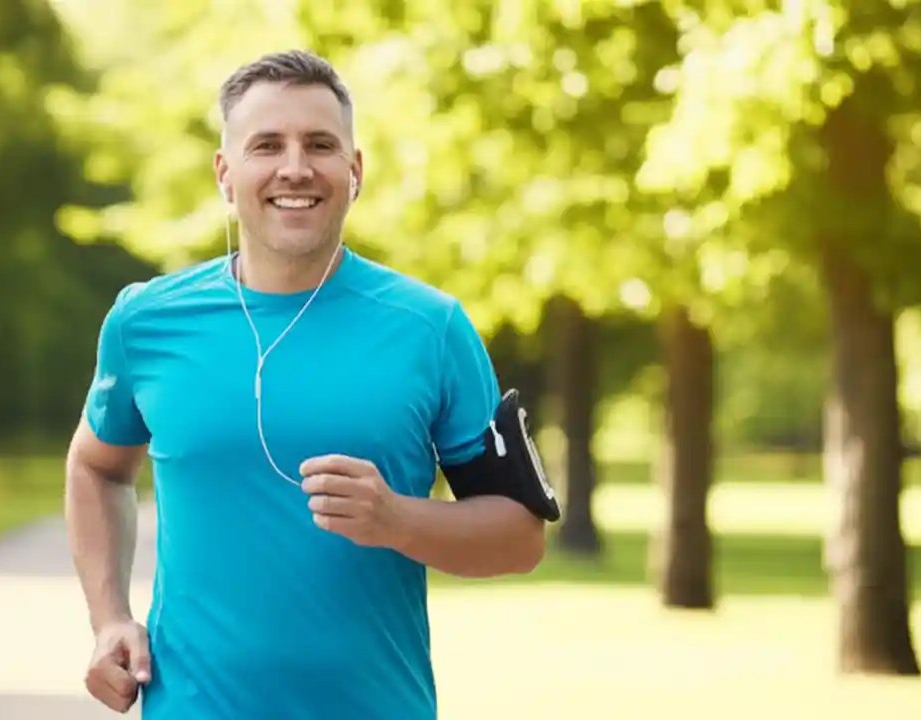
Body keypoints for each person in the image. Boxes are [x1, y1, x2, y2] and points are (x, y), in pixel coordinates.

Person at [64, 49, 555, 719]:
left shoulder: (431, 327)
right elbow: (96, 466)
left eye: (320, 145)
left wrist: (397, 519)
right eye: (267, 145)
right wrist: (109, 617)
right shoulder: (145, 322)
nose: (295, 168)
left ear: (354, 171)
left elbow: (520, 538)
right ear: (224, 172)